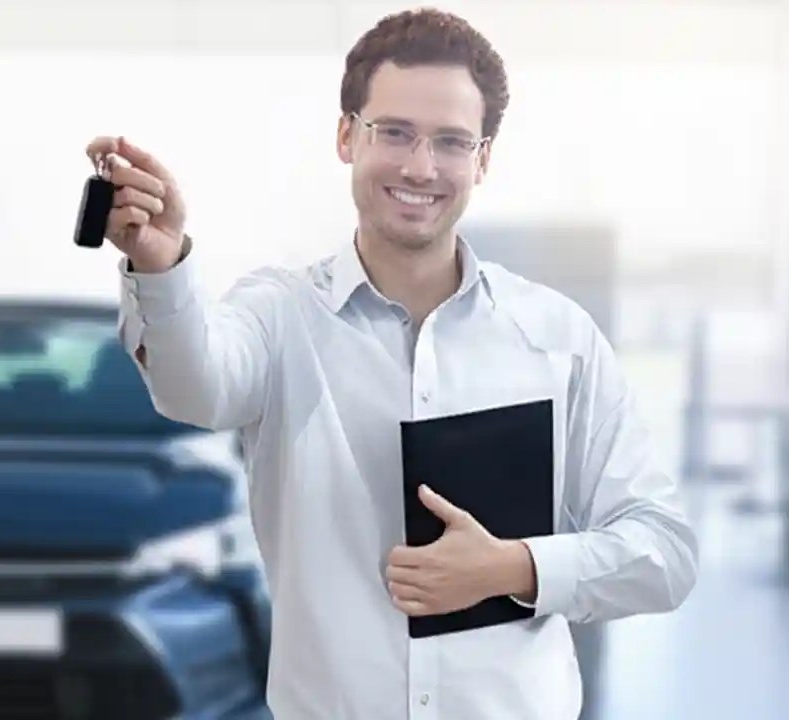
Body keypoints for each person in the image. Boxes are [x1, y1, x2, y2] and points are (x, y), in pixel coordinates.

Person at [84, 7, 697, 720]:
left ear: (483, 159)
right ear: (347, 136)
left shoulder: (556, 335)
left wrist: (513, 567)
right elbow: (198, 388)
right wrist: (161, 266)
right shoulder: (281, 315)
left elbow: (663, 551)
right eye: (395, 132)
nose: (420, 167)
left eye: (451, 142)